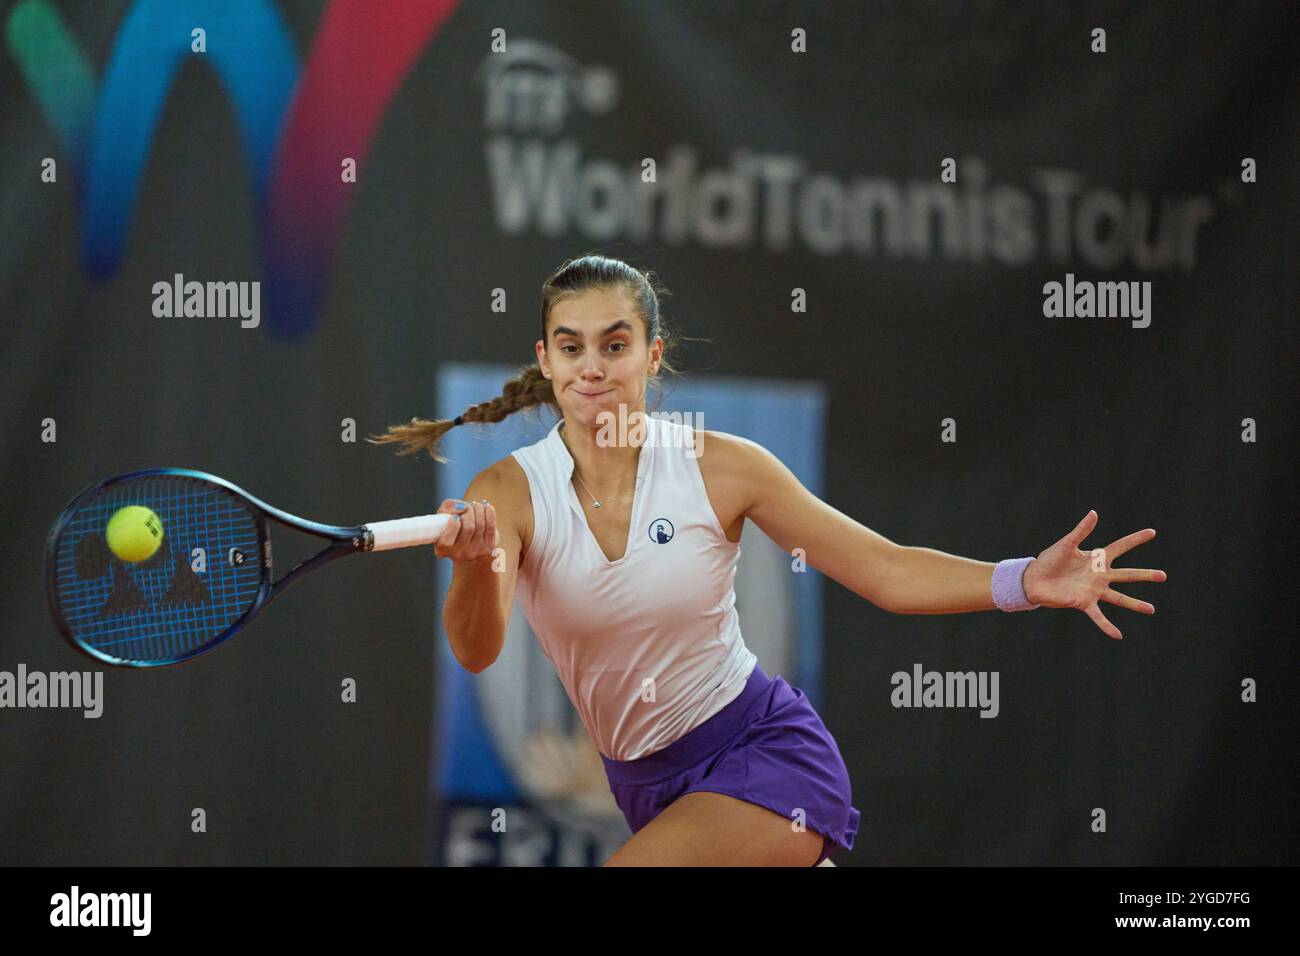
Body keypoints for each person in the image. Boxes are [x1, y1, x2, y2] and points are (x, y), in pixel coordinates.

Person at [370, 254, 1167, 866]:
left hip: (765, 755)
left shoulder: (727, 466)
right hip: (644, 785)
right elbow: (476, 651)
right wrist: (476, 565)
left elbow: (884, 570)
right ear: (545, 359)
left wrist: (1022, 580)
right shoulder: (506, 492)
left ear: (652, 356)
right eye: (572, 346)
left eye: (616, 344)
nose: (593, 368)